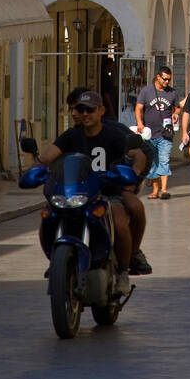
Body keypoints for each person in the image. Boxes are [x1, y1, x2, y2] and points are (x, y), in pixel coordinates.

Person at [32, 90, 151, 295]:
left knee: (120, 220)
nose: (84, 113)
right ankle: (57, 261)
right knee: (48, 216)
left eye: (90, 109)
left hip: (107, 192)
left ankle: (123, 270)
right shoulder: (71, 136)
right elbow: (47, 156)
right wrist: (36, 169)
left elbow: (138, 154)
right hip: (77, 193)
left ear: (101, 111)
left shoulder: (114, 133)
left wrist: (133, 174)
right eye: (80, 109)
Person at [135, 67, 179, 199]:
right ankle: (155, 190)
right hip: (149, 133)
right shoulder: (146, 91)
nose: (167, 82)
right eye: (165, 79)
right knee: (153, 161)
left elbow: (177, 108)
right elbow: (138, 108)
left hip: (165, 133)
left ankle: (164, 190)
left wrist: (176, 114)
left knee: (164, 160)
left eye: (169, 79)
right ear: (158, 77)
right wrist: (139, 123)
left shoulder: (172, 93)